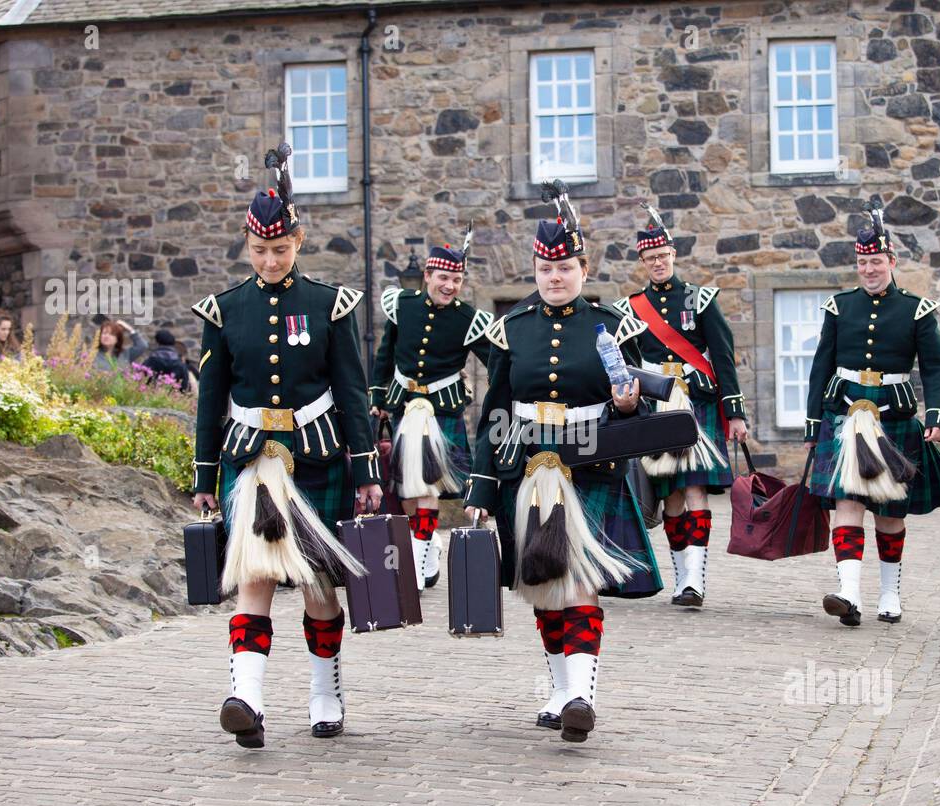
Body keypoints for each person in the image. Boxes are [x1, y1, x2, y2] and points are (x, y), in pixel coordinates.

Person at [190, 142, 382, 748]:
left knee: (320, 587)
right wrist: (201, 476)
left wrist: (366, 469)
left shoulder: (329, 305)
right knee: (255, 577)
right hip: (248, 457)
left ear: (298, 242)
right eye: (258, 251)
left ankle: (325, 691)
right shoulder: (225, 311)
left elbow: (352, 391)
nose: (269, 261)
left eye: (279, 250)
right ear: (246, 246)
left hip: (317, 455)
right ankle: (245, 696)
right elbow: (210, 398)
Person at [463, 181, 661, 744]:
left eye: (566, 268)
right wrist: (480, 487)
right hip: (525, 468)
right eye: (546, 269)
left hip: (591, 466)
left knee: (579, 582)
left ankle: (581, 694)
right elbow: (495, 408)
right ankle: (558, 687)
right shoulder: (511, 330)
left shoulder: (610, 325)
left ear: (583, 266)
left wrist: (630, 402)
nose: (555, 277)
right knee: (544, 584)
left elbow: (637, 397)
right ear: (535, 269)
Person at [804, 207, 940, 627]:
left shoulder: (917, 310)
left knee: (890, 512)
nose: (869, 269)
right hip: (844, 414)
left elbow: (936, 366)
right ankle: (849, 593)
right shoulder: (839, 307)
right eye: (862, 263)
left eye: (876, 262)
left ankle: (890, 593)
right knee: (848, 501)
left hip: (893, 416)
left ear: (892, 262)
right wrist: (812, 422)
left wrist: (938, 415)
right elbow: (821, 366)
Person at [612, 204, 749, 608]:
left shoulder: (701, 299)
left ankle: (695, 580)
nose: (657, 263)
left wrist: (736, 412)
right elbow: (624, 362)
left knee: (694, 492)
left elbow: (723, 356)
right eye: (650, 258)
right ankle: (681, 578)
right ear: (643, 261)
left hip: (697, 401)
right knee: (671, 495)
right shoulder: (631, 308)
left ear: (673, 255)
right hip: (657, 405)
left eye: (663, 256)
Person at [368, 228, 493, 589]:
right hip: (403, 407)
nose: (450, 285)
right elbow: (385, 355)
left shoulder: (468, 318)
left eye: (457, 279)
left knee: (425, 489)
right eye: (443, 277)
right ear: (427, 276)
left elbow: (494, 362)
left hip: (442, 410)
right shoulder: (402, 306)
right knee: (408, 491)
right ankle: (429, 544)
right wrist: (377, 398)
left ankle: (419, 564)